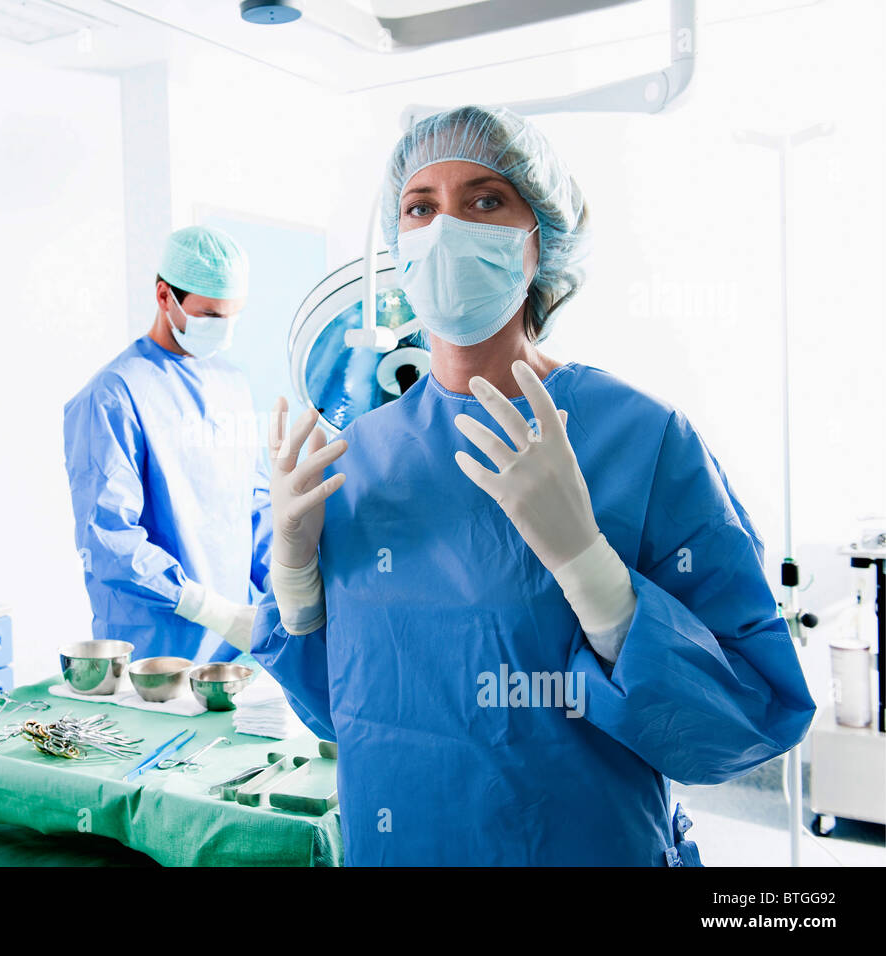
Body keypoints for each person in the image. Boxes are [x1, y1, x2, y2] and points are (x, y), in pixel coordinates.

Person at [253, 106, 817, 866]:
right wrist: (294, 581)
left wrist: (596, 576)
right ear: (397, 245)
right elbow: (343, 711)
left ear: (538, 239)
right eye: (421, 208)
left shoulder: (641, 439)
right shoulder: (358, 455)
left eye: (485, 201)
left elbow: (742, 722)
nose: (446, 231)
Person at [63, 226, 272, 663]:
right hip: (154, 654)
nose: (225, 330)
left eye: (234, 316)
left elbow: (253, 505)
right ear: (164, 296)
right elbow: (109, 541)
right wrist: (211, 609)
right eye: (212, 316)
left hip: (236, 650)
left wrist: (287, 588)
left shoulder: (232, 384)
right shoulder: (114, 394)